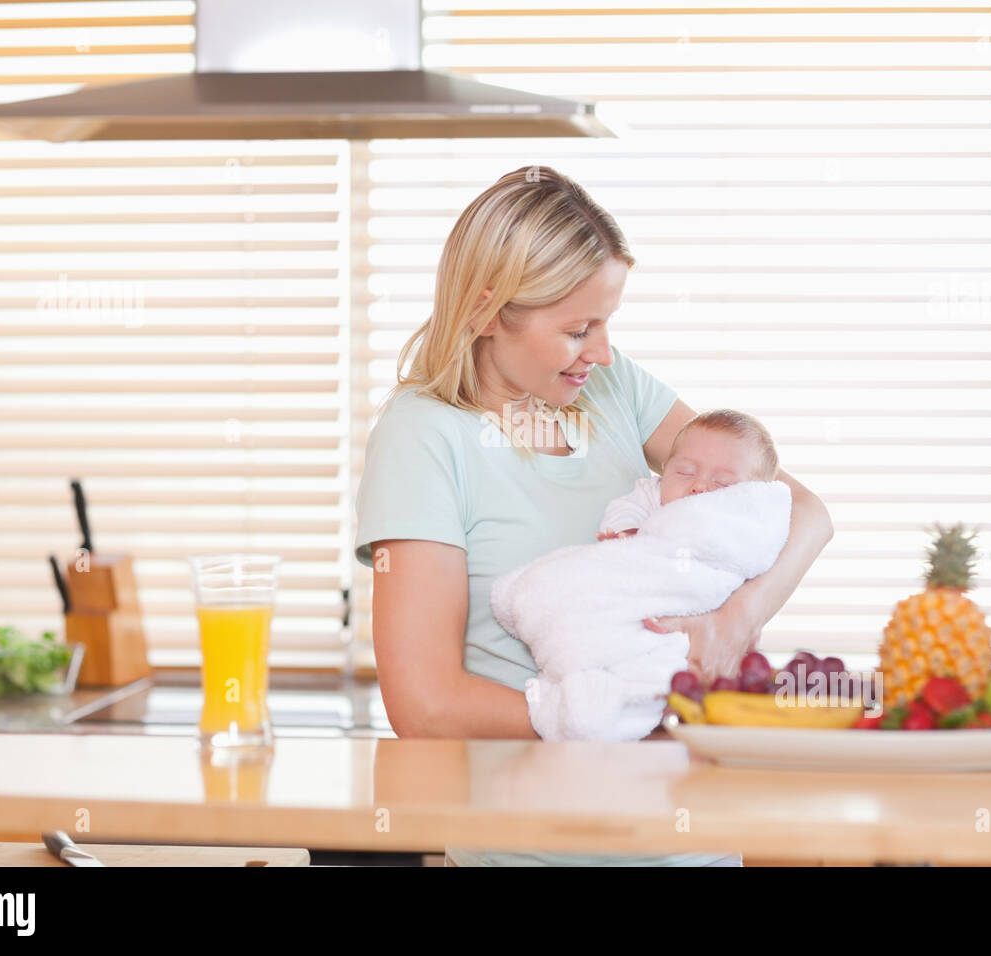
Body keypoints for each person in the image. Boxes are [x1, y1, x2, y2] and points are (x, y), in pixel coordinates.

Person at [353, 166, 834, 866]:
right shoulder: (423, 437)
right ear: (488, 312)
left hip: (690, 843)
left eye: (607, 324)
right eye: (578, 329)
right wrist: (618, 717)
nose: (602, 353)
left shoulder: (611, 388)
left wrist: (737, 621)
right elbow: (425, 707)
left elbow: (803, 510)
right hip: (531, 852)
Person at [598, 408, 780, 540]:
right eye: (685, 472)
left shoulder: (748, 521)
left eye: (723, 483)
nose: (699, 486)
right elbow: (625, 510)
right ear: (665, 470)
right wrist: (628, 533)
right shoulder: (651, 493)